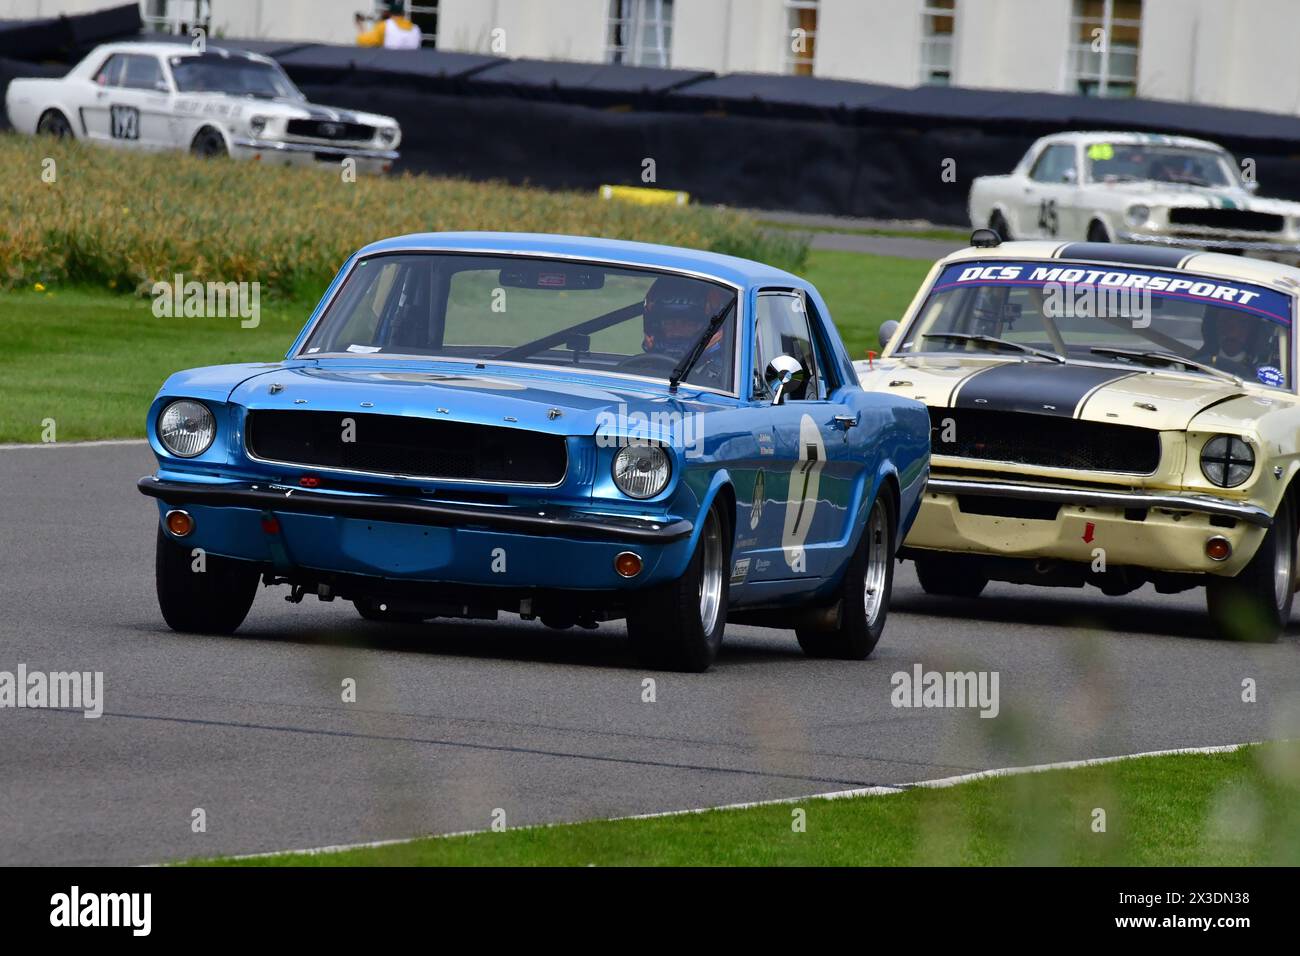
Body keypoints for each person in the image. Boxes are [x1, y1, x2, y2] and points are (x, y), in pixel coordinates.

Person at [633, 276, 732, 384]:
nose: (676, 331)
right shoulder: (638, 369)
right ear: (655, 326)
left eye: (688, 323)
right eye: (669, 323)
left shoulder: (729, 378)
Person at [355, 1, 422, 49]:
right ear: (404, 13)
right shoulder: (416, 29)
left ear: (389, 13)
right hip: (410, 67)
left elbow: (362, 41)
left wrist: (360, 25)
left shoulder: (384, 26)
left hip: (390, 67)